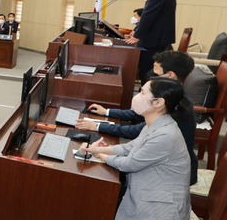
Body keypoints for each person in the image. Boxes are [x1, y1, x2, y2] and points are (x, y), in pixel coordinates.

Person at [80, 77, 191, 220]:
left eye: (142, 93)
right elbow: (130, 148)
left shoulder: (165, 134)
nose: (136, 96)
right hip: (153, 193)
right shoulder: (158, 123)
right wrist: (97, 151)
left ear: (158, 103)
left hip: (159, 208)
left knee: (93, 211)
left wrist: (101, 157)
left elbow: (129, 164)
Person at [77, 50, 198, 184]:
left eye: (156, 75)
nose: (152, 77)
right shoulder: (165, 104)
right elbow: (131, 144)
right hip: (155, 165)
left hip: (166, 178)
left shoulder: (174, 111)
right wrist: (98, 148)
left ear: (170, 75)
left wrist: (98, 154)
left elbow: (130, 162)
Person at [127, 0, 176, 82]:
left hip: (154, 42)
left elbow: (149, 15)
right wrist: (136, 30)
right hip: (155, 40)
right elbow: (148, 15)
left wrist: (136, 36)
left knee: (147, 75)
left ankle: (145, 97)